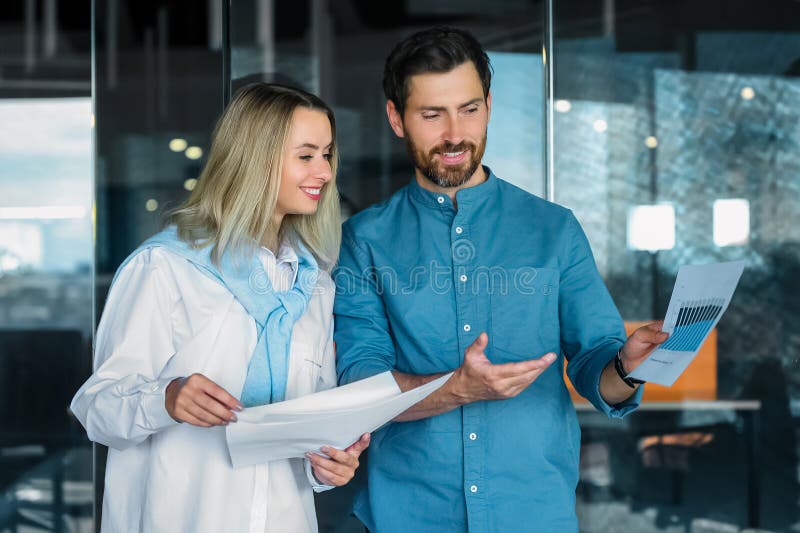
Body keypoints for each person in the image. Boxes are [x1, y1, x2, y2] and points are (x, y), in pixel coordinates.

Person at [333, 27, 668, 532]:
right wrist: (456, 388)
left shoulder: (554, 230)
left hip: (533, 515)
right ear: (396, 118)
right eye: (432, 114)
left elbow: (596, 363)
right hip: (409, 517)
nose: (454, 133)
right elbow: (361, 384)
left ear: (488, 106)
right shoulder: (364, 240)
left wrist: (626, 366)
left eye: (469, 109)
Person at [71, 83, 369, 533]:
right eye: (306, 156)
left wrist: (329, 465)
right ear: (254, 159)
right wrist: (165, 399)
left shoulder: (313, 287)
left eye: (327, 155)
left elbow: (311, 426)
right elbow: (97, 410)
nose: (325, 172)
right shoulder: (165, 268)